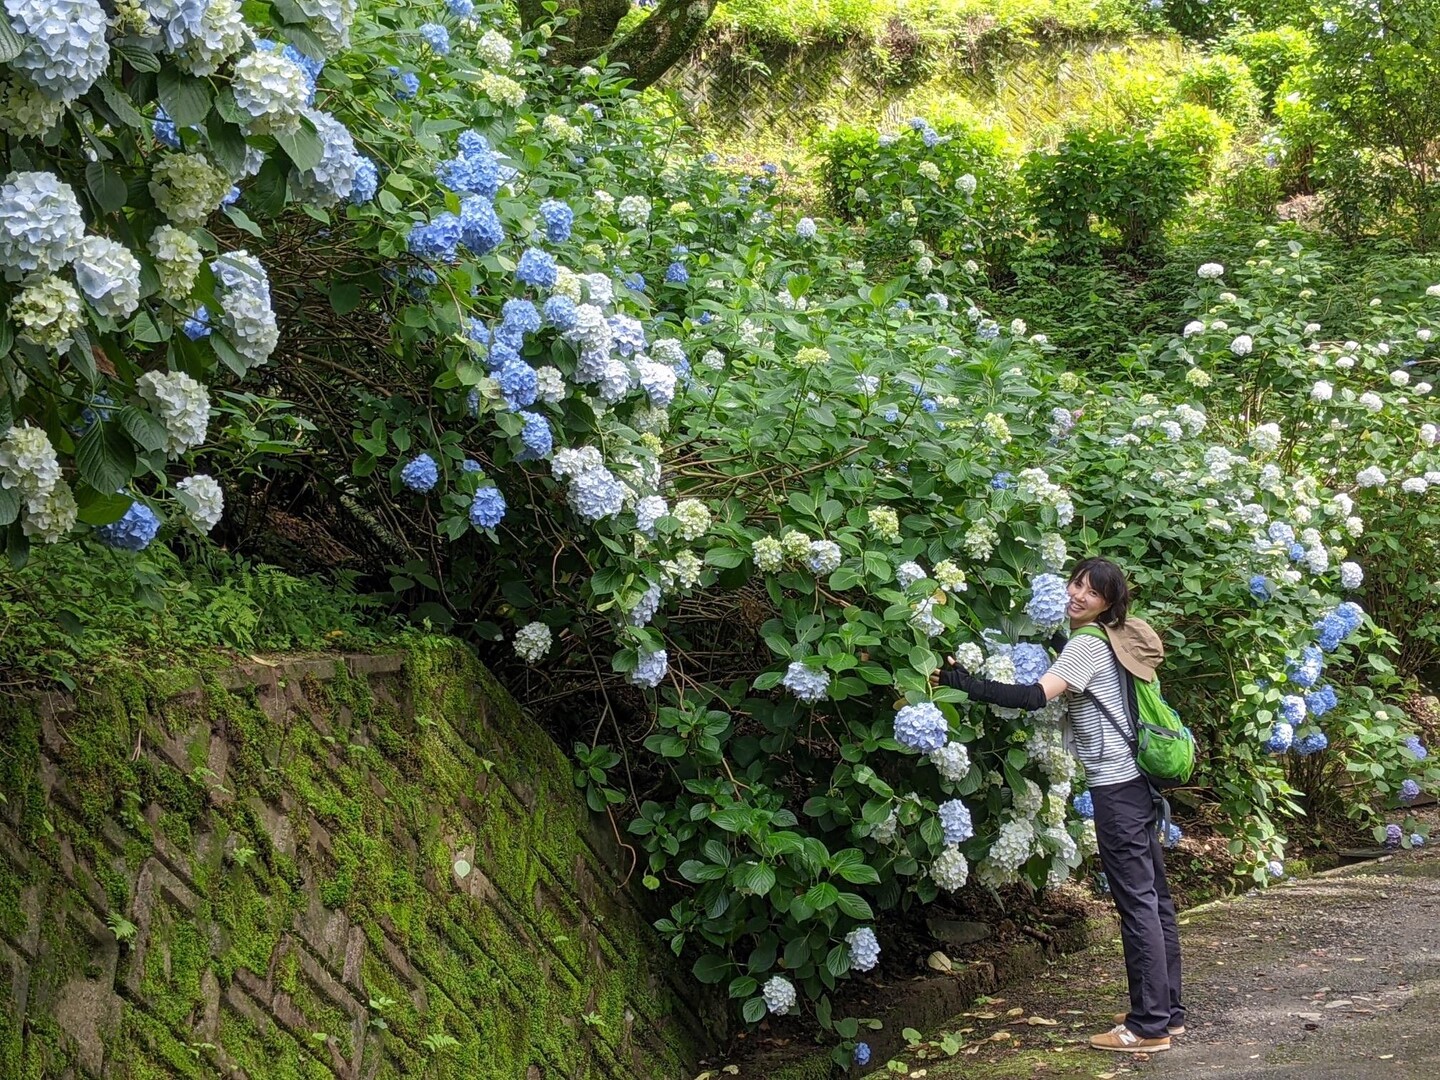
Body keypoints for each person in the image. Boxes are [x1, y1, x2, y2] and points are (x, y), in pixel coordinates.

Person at [930, 556, 1185, 1055]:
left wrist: (960, 682)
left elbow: (1032, 697)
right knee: (1155, 900)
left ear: (1108, 603)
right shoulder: (1111, 642)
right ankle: (1167, 1012)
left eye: (1089, 591)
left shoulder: (1087, 647)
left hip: (1115, 790)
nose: (1075, 594)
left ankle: (1148, 1025)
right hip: (1138, 786)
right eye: (1075, 583)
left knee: (1136, 905)